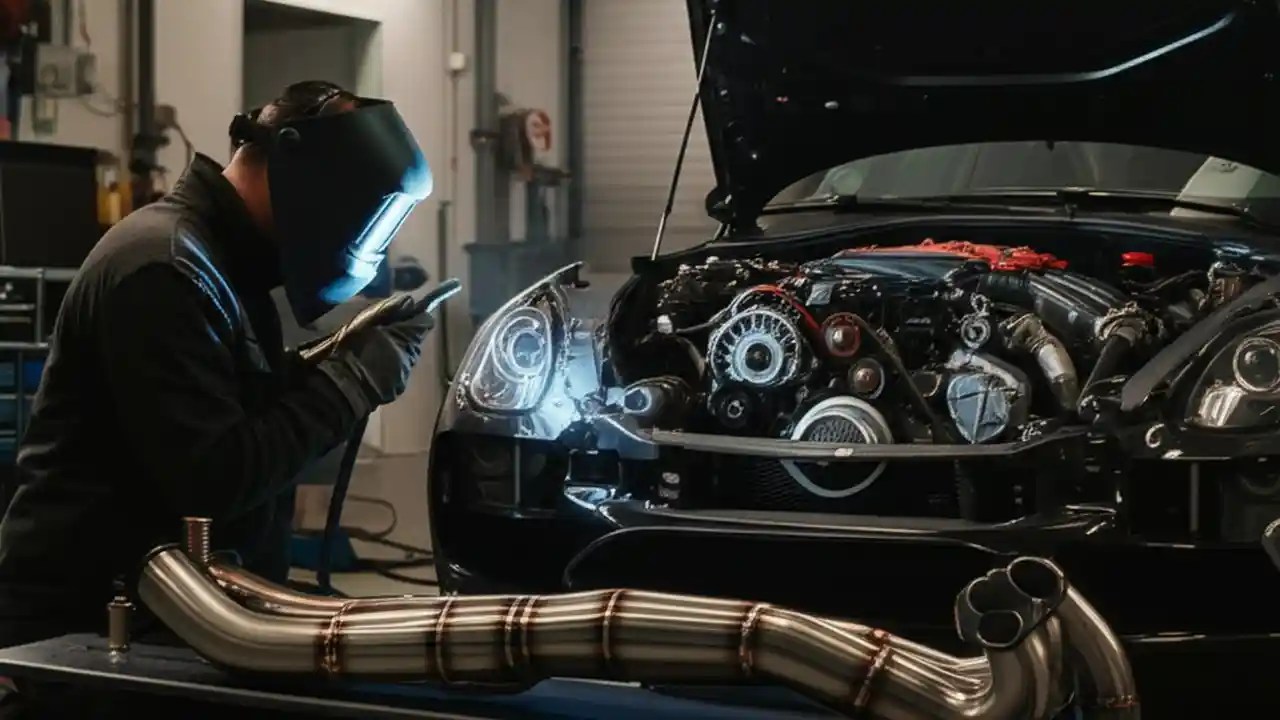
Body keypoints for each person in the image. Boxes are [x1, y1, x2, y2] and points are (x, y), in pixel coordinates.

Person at [0, 80, 435, 649]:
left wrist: (329, 359)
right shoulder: (162, 269)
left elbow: (239, 407)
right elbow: (216, 475)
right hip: (84, 635)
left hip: (156, 621)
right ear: (312, 177)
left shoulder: (219, 264)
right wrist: (351, 381)